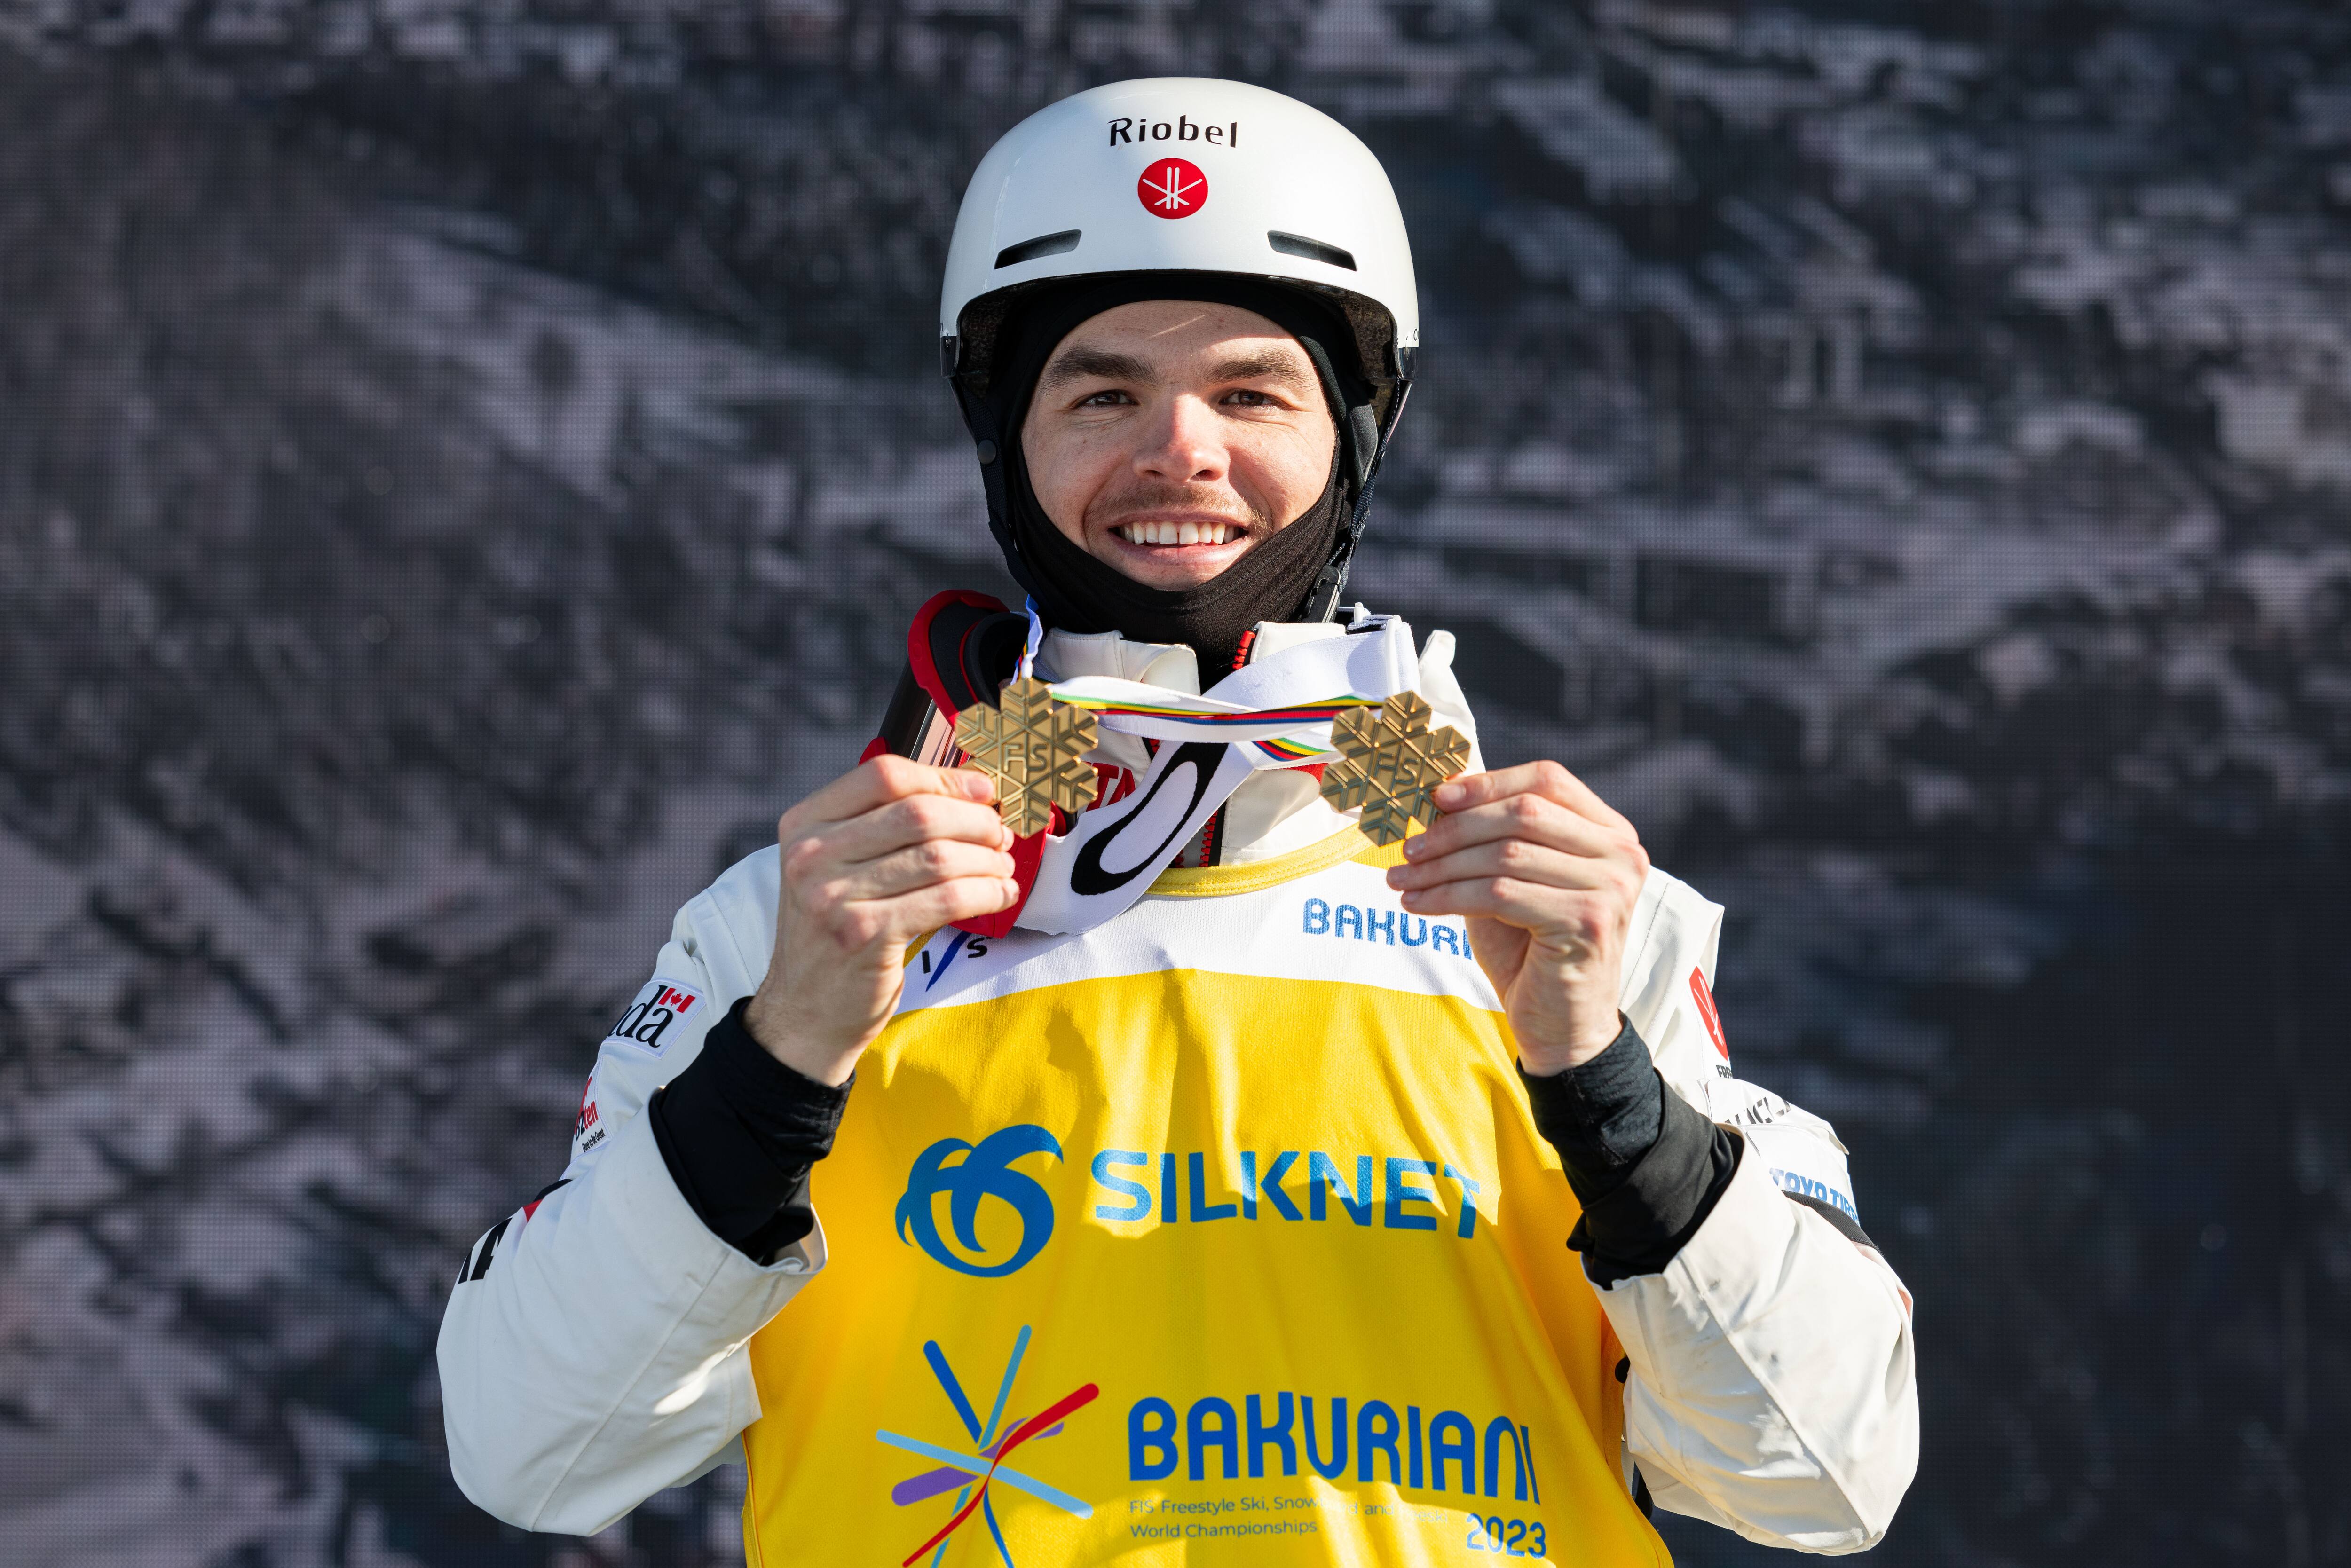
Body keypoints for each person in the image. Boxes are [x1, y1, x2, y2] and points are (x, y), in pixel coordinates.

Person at [437, 78, 1917, 1562]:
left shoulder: (1561, 916)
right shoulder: (807, 919)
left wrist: (1601, 1080)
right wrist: (780, 1057)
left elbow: (1829, 1476)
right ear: (1005, 435)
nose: (1180, 451)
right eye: (1102, 393)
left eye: (1251, 391)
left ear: (1356, 432)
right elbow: (530, 1453)